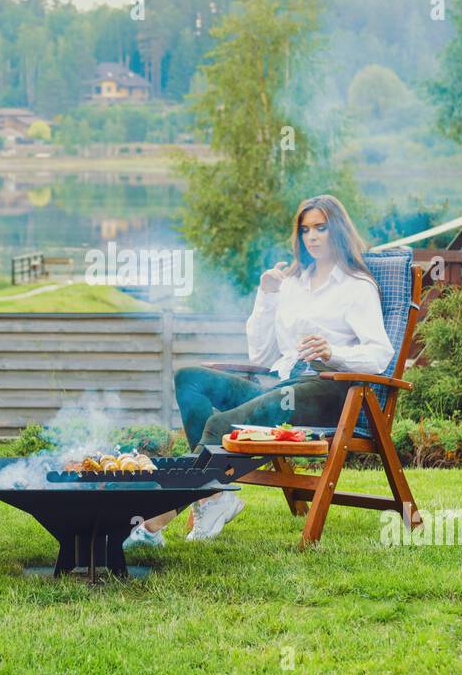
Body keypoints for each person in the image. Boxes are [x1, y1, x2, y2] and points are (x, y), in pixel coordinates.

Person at [126, 194, 394, 547]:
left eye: (321, 228)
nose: (312, 237)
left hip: (328, 390)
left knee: (221, 426)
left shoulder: (356, 287)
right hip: (284, 387)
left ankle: (155, 522)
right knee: (189, 379)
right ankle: (214, 497)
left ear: (338, 231)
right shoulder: (293, 284)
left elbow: (380, 354)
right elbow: (263, 353)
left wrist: (335, 352)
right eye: (305, 229)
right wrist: (266, 297)